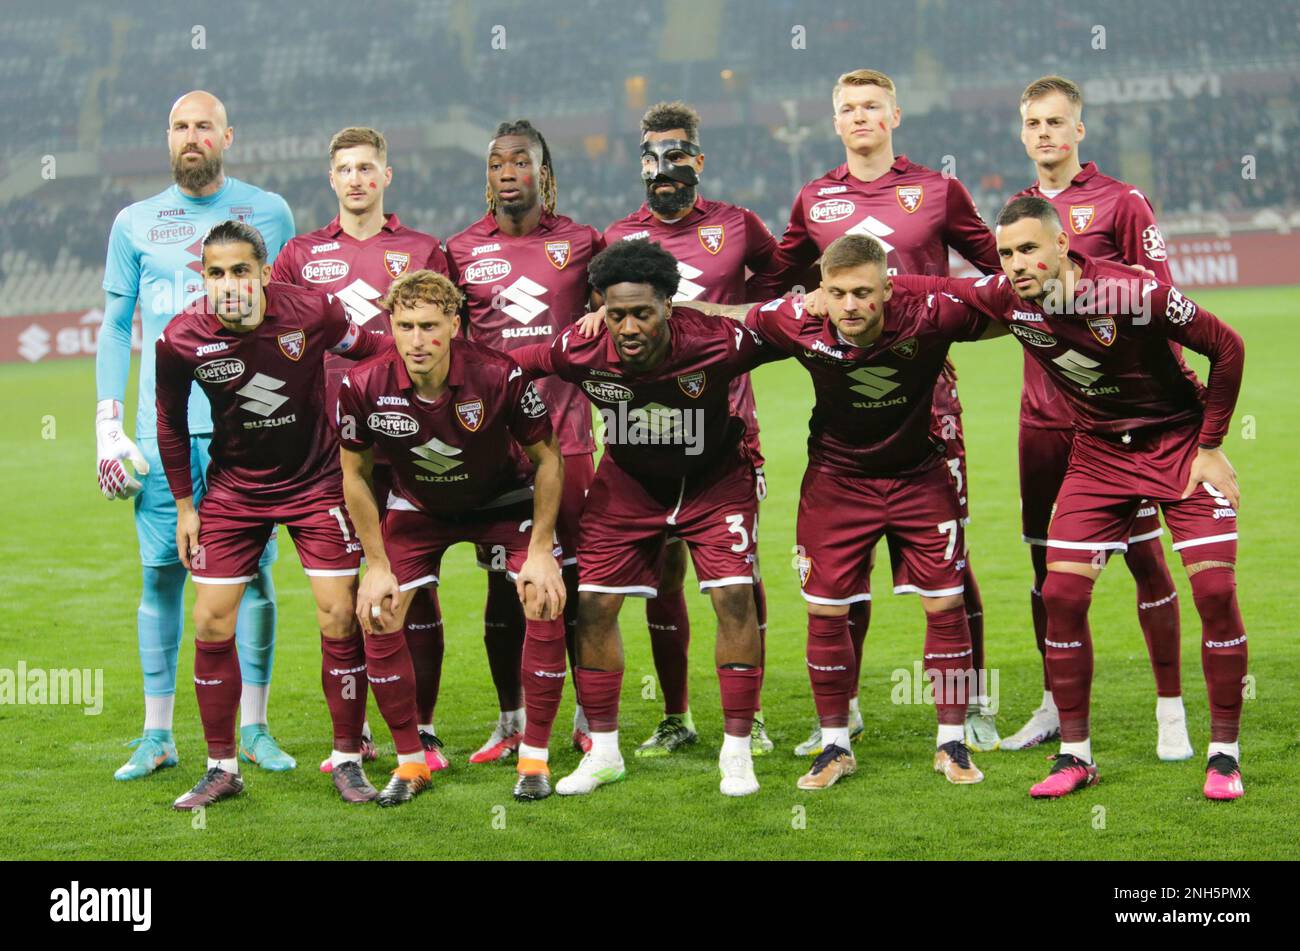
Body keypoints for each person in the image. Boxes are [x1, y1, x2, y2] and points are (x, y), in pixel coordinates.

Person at [895, 196, 1247, 800]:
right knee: (1060, 594)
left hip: (1177, 443)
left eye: (1028, 249)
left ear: (1063, 245)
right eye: (1006, 254)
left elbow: (1228, 347)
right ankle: (1075, 754)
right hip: (1100, 455)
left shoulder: (1135, 293)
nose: (1016, 264)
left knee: (1214, 590)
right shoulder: (1010, 299)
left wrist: (1211, 445)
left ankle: (1223, 755)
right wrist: (868, 281)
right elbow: (931, 283)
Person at [751, 68, 1002, 754]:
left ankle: (971, 700)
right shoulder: (814, 198)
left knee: (951, 557)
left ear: (895, 115)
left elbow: (994, 267)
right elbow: (777, 282)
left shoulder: (938, 191)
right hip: (843, 386)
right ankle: (846, 708)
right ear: (835, 122)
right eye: (847, 108)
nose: (860, 116)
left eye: (871, 106)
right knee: (842, 557)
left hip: (926, 393)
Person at [511, 239, 780, 797]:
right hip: (630, 484)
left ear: (669, 306)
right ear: (598, 309)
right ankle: (605, 754)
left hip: (714, 481)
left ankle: (736, 753)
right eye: (615, 314)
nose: (628, 327)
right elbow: (514, 365)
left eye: (642, 313)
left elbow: (790, 333)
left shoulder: (715, 340)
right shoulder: (580, 349)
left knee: (733, 598)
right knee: (594, 606)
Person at [155, 221, 405, 809]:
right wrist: (186, 507)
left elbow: (373, 347)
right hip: (234, 492)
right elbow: (169, 419)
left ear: (266, 273)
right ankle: (221, 767)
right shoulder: (181, 338)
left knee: (340, 614)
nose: (229, 283)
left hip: (316, 483)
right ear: (204, 279)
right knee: (212, 621)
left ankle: (347, 758)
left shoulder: (313, 311)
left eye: (241, 270)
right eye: (215, 273)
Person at [97, 91, 295, 781]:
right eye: (179, 125)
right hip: (163, 434)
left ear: (227, 136)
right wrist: (106, 425)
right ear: (167, 136)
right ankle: (157, 735)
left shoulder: (269, 211)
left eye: (203, 126)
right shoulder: (134, 222)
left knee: (257, 577)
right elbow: (117, 326)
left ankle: (256, 728)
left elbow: (289, 316)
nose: (191, 136)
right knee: (160, 577)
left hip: (250, 432)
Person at [1002, 76, 1193, 760]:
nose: (1045, 133)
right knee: (1044, 568)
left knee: (1146, 561)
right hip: (1041, 421)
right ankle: (1056, 704)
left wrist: (1165, 412)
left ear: (1079, 130)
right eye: (1033, 123)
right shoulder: (1018, 216)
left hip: (1116, 427)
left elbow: (1165, 303)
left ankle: (1169, 707)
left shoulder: (1121, 201)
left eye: (1056, 121)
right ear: (1022, 133)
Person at [338, 270, 568, 801]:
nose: (416, 340)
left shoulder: (499, 375)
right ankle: (411, 762)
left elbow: (548, 457)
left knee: (543, 596)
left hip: (502, 502)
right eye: (403, 326)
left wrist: (540, 551)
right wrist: (375, 565)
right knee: (378, 610)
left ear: (455, 325)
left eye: (428, 326)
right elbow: (354, 475)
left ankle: (534, 759)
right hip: (420, 507)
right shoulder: (363, 384)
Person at [270, 126, 452, 772]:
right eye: (344, 169)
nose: (355, 179)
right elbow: (282, 344)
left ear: (386, 175)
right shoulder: (299, 254)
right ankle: (354, 736)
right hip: (330, 448)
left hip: (408, 443)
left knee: (416, 585)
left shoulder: (423, 249)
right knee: (343, 594)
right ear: (331, 179)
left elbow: (449, 341)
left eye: (366, 167)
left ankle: (423, 727)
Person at [604, 100, 781, 757]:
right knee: (662, 574)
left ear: (698, 161)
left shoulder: (739, 227)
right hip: (648, 434)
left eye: (675, 155)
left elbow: (776, 301)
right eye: (650, 157)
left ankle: (751, 713)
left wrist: (712, 314)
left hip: (729, 431)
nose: (663, 168)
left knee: (738, 576)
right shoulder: (618, 238)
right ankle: (675, 716)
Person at [445, 119, 605, 760]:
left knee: (575, 582)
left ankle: (591, 717)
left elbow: (610, 321)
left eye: (520, 161)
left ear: (544, 173)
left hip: (565, 440)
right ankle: (511, 721)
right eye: (496, 163)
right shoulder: (457, 250)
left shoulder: (584, 242)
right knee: (500, 586)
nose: (507, 172)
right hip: (492, 448)